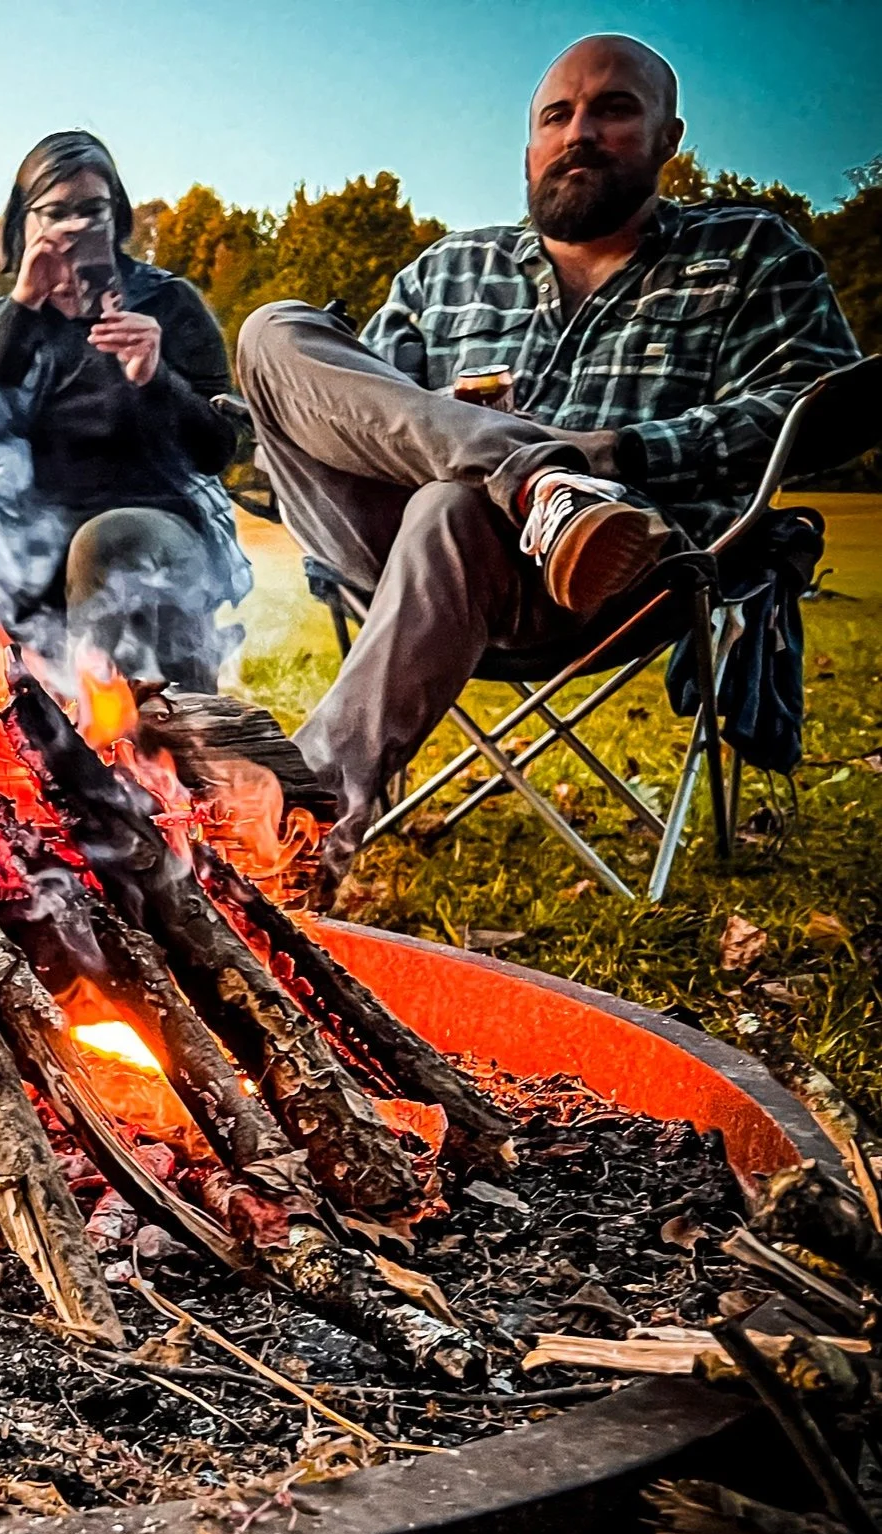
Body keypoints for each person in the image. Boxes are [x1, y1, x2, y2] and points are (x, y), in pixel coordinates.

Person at [235, 35, 861, 892]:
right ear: (528, 144)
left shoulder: (747, 256)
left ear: (667, 137)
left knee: (449, 512)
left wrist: (619, 455)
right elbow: (363, 415)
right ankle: (535, 479)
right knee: (273, 328)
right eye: (556, 115)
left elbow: (813, 406)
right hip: (388, 558)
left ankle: (293, 840)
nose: (578, 133)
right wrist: (518, 456)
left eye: (612, 110)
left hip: (614, 575)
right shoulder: (444, 270)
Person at [0, 132, 248, 690]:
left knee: (105, 541)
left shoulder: (168, 304)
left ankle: (104, 739)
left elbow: (218, 450)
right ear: (24, 221)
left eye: (91, 210)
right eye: (55, 212)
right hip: (24, 540)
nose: (75, 227)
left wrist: (156, 378)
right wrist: (24, 305)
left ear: (116, 215)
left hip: (154, 527)